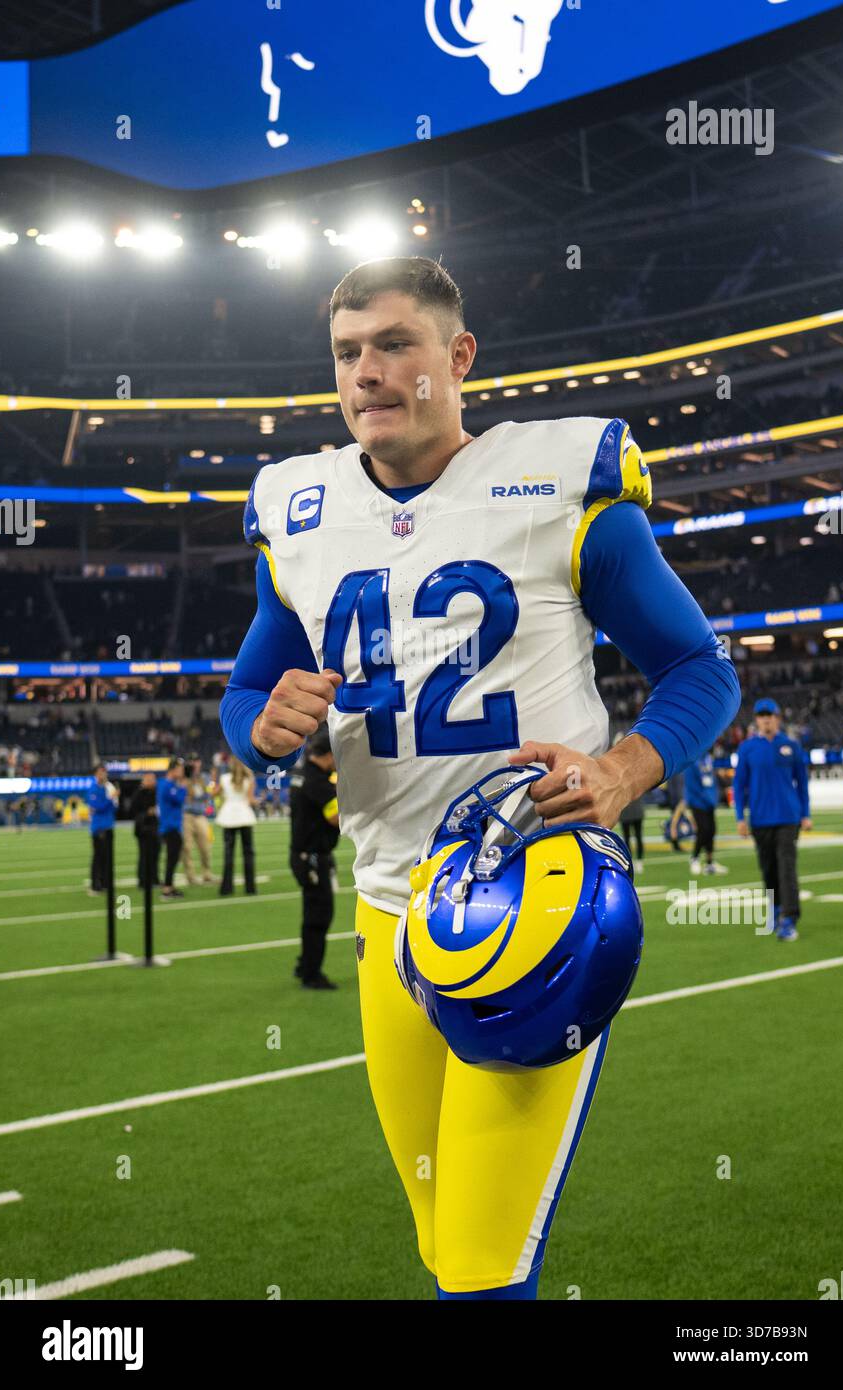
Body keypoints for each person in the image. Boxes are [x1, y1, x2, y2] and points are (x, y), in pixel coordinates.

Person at [220, 256, 740, 1300]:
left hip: (533, 902)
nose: (365, 372)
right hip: (385, 920)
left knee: (478, 1265)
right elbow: (247, 695)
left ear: (457, 356)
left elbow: (698, 668)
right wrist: (263, 730)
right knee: (437, 1231)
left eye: (393, 344)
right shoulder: (300, 511)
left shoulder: (556, 485)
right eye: (346, 353)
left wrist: (623, 768)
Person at [734, 698, 811, 941]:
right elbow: (739, 785)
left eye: (770, 715)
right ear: (756, 720)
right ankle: (775, 909)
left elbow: (803, 783)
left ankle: (789, 918)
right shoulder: (747, 748)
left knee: (787, 867)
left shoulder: (791, 746)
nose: (766, 719)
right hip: (760, 819)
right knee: (768, 869)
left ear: (777, 718)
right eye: (761, 715)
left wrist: (806, 813)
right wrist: (740, 817)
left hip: (788, 817)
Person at [288, 726, 340, 990]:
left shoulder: (300, 774)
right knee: (319, 916)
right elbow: (335, 818)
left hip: (301, 853)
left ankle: (303, 964)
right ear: (327, 755)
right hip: (313, 857)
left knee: (311, 913)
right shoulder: (318, 781)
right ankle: (312, 973)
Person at [215, 756, 258, 896]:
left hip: (228, 816)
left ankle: (226, 889)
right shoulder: (249, 780)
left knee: (228, 853)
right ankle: (250, 888)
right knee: (248, 853)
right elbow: (251, 800)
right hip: (245, 816)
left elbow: (215, 793)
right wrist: (257, 801)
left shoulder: (224, 779)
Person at [685, 749, 727, 876]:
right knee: (703, 830)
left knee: (712, 830)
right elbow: (691, 784)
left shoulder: (707, 758)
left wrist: (714, 797)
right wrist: (704, 797)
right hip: (698, 801)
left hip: (709, 800)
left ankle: (709, 863)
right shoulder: (692, 759)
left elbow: (711, 779)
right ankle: (694, 858)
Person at [84, 763, 118, 897]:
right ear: (95, 774)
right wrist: (111, 799)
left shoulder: (108, 788)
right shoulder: (93, 789)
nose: (103, 775)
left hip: (109, 826)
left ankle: (105, 882)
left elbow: (113, 808)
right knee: (98, 857)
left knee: (108, 857)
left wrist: (112, 800)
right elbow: (98, 807)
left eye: (104, 772)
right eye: (100, 772)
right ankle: (95, 884)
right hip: (98, 828)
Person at [156, 757, 188, 899]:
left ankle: (169, 885)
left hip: (173, 825)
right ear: (173, 769)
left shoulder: (170, 784)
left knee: (174, 858)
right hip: (170, 827)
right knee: (171, 858)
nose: (182, 772)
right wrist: (183, 786)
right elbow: (180, 799)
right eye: (180, 769)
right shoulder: (166, 785)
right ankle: (167, 889)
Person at [182, 756, 217, 885]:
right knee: (187, 847)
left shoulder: (204, 777)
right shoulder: (183, 778)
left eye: (197, 761)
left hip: (200, 815)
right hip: (186, 815)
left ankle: (206, 873)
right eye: (192, 761)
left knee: (205, 846)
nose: (195, 764)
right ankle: (190, 876)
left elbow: (208, 795)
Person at [131, 771, 160, 891]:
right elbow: (134, 811)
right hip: (143, 829)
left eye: (154, 779)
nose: (154, 782)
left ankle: (155, 879)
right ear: (145, 780)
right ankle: (142, 881)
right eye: (151, 779)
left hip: (155, 827)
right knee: (144, 856)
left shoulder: (156, 792)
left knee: (155, 854)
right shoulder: (138, 794)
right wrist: (148, 812)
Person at [619, 792, 645, 874]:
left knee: (638, 837)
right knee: (627, 839)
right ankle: (630, 862)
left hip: (635, 810)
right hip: (626, 811)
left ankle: (639, 861)